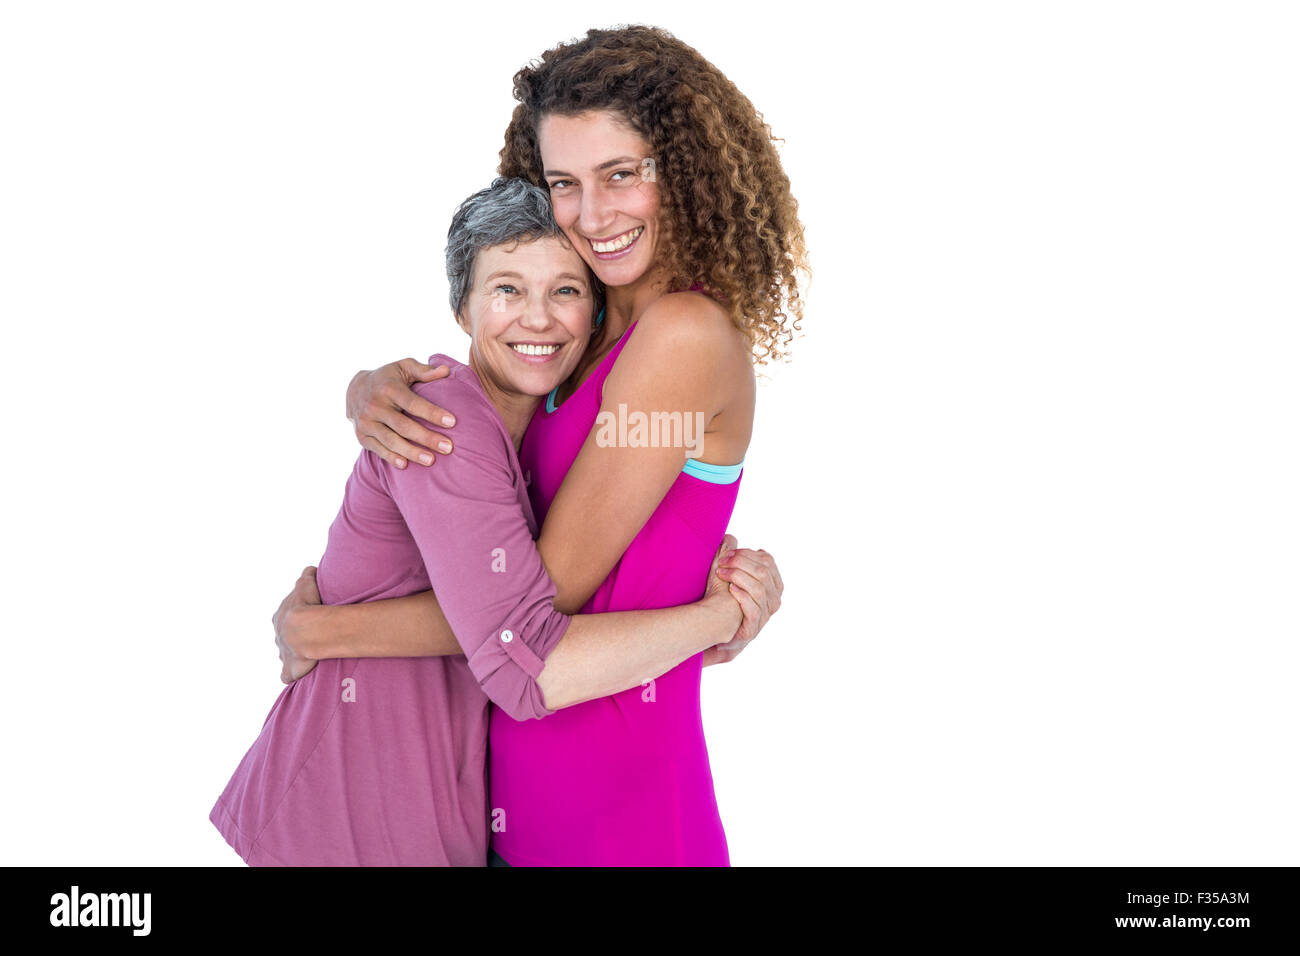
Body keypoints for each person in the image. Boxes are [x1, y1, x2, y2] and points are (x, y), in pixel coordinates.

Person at [279, 25, 805, 865]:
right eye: (565, 183)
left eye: (623, 174)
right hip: (505, 802)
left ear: (687, 168)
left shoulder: (681, 336)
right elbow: (489, 460)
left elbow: (535, 608)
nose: (593, 215)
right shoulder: (585, 324)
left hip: (621, 816)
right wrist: (367, 387)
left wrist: (332, 634)